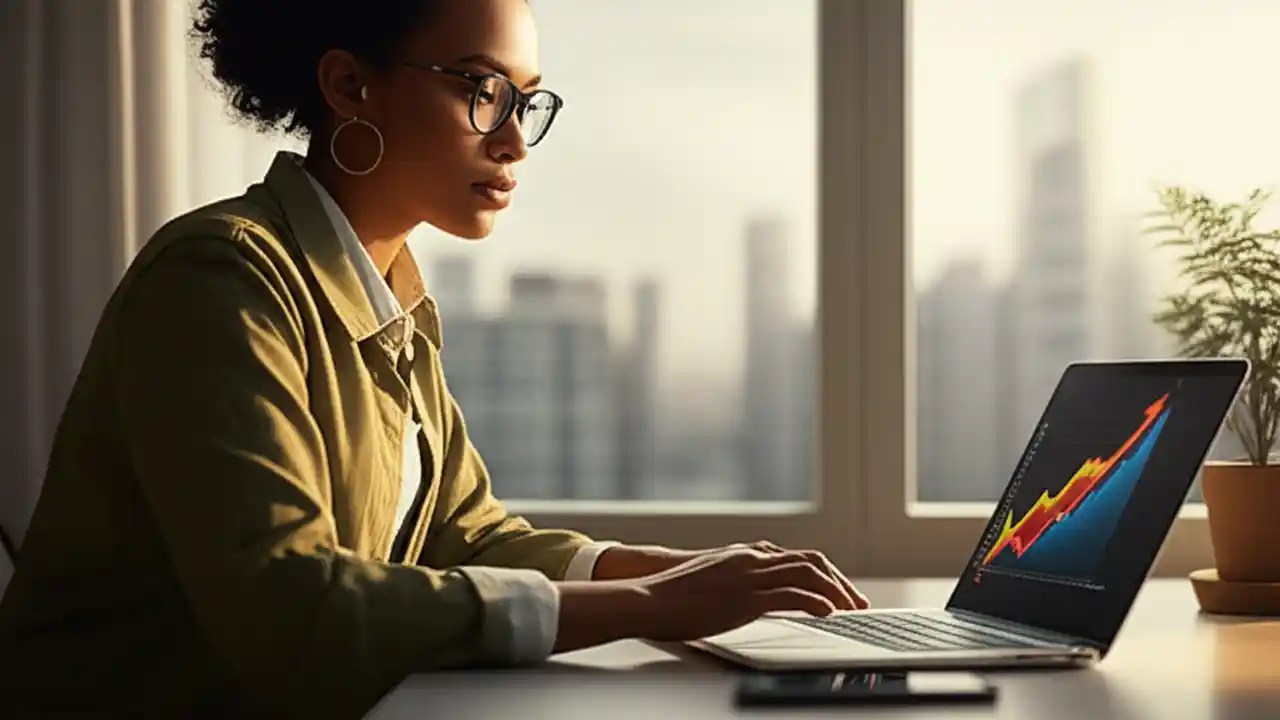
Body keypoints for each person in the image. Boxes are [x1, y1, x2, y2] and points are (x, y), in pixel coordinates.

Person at [0, 0, 868, 716]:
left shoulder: (391, 297)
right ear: (350, 86)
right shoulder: (220, 275)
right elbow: (287, 606)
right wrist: (652, 607)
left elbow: (467, 534)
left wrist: (677, 571)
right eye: (483, 91)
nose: (515, 140)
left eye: (527, 101)